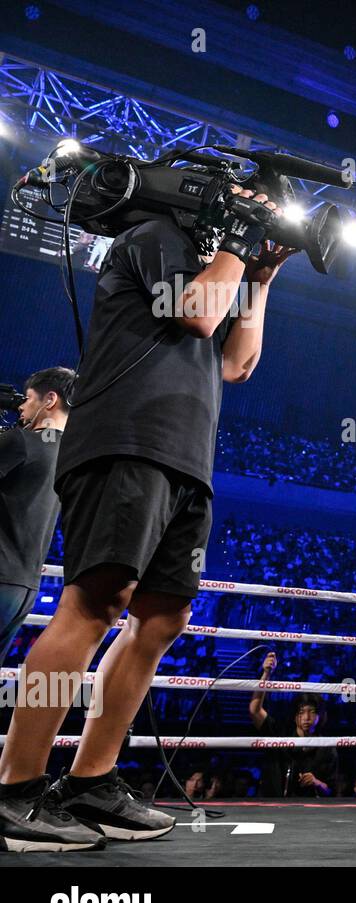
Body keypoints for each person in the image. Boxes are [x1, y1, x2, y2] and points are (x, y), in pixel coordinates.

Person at [0, 184, 296, 852]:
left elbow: (236, 362)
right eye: (250, 203)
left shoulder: (216, 263)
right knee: (96, 604)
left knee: (162, 617)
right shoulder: (156, 238)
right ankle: (15, 789)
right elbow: (195, 314)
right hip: (126, 441)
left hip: (185, 456)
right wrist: (238, 245)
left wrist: (263, 277)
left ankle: (91, 783)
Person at [0, 367, 74, 666]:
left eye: (28, 399)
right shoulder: (71, 456)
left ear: (50, 400)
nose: (21, 406)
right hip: (23, 586)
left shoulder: (21, 442)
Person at [249, 652, 338, 798]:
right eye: (301, 712)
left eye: (312, 712)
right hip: (271, 806)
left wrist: (317, 782)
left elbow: (332, 791)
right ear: (295, 714)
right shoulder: (279, 733)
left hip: (307, 812)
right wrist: (266, 673)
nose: (306, 717)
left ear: (320, 715)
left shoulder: (327, 749)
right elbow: (254, 710)